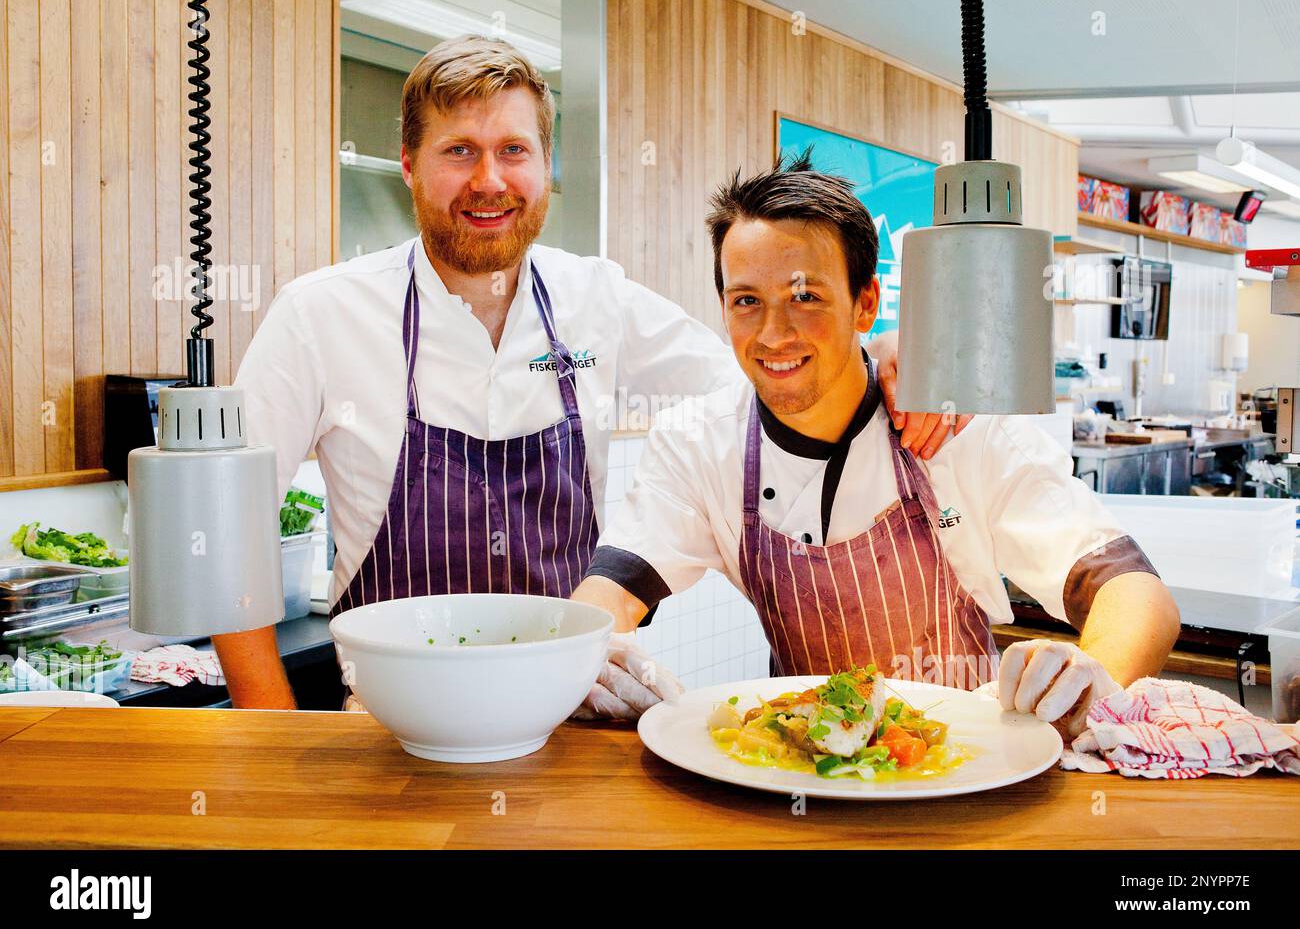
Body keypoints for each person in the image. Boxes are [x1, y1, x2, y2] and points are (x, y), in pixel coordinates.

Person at [218, 36, 955, 711]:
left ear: (544, 169)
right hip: (392, 725)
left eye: (513, 150)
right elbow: (229, 530)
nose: (488, 180)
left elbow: (764, 379)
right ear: (410, 164)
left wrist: (878, 348)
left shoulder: (596, 299)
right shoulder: (319, 316)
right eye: (458, 152)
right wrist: (273, 735)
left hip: (571, 711)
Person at [571, 154, 1181, 737]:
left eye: (805, 297)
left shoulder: (951, 428)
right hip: (800, 766)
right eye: (747, 302)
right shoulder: (699, 443)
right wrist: (585, 655)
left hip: (970, 759)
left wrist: (1092, 674)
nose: (774, 333)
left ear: (866, 303)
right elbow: (612, 591)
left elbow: (1136, 592)